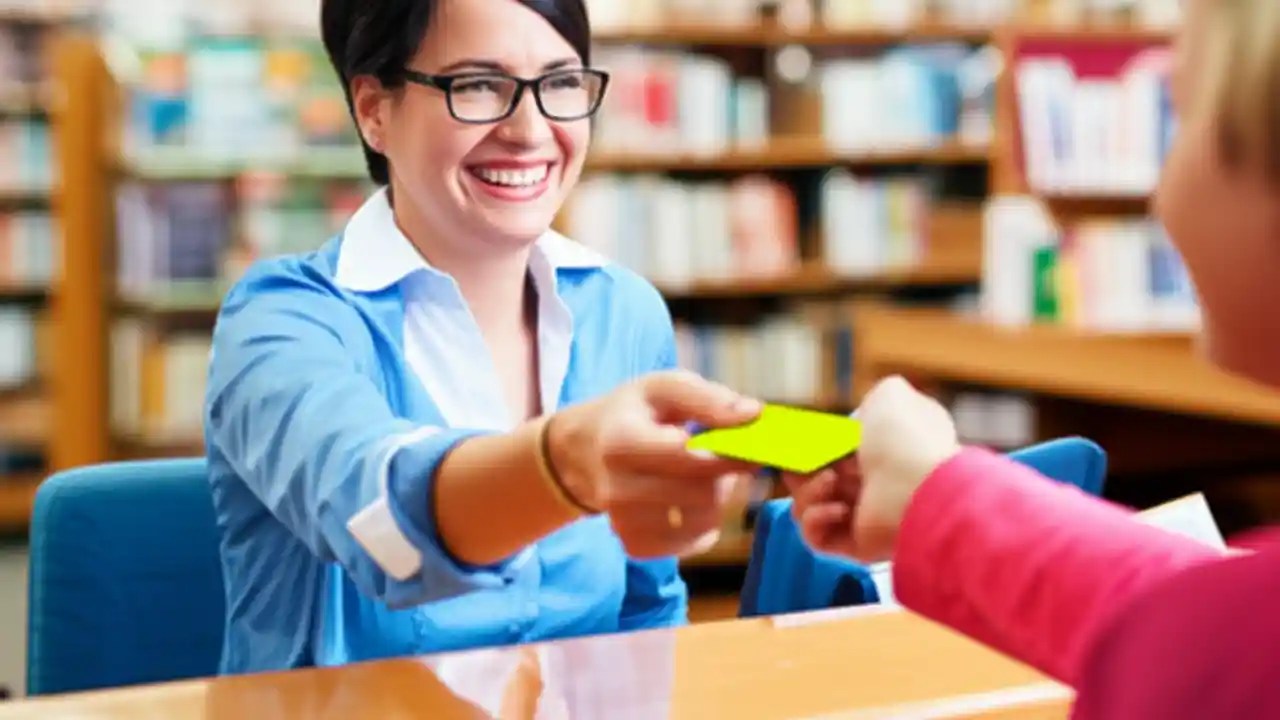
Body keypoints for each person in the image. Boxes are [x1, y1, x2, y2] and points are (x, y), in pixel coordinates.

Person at [203, 0, 764, 675]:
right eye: (476, 85)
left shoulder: (625, 311)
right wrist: (564, 463)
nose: (530, 131)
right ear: (374, 110)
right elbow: (379, 526)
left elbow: (646, 613)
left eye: (560, 83)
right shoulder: (280, 322)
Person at [788, 0, 1280, 715]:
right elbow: (1196, 604)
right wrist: (939, 500)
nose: (1162, 193)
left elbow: (1209, 632)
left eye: (1184, 114)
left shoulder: (1223, 651)